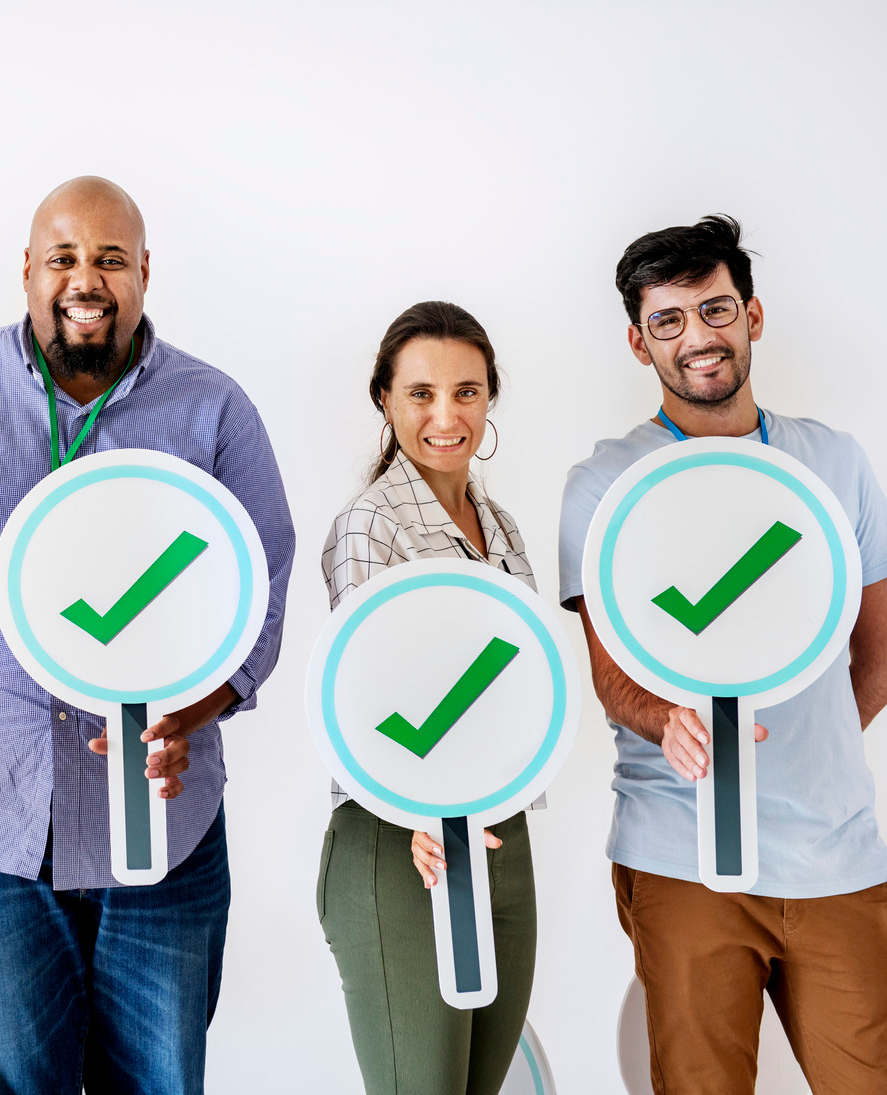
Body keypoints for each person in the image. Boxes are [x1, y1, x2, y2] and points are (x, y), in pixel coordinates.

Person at [0, 176, 294, 1094]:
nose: (84, 280)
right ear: (26, 271)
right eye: (62, 257)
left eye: (109, 259)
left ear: (143, 273)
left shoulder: (213, 412)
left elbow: (257, 602)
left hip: (163, 835)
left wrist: (196, 710)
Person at [559, 215, 887, 1094]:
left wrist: (813, 742)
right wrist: (666, 722)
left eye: (714, 309)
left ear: (753, 316)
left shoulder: (832, 460)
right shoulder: (606, 484)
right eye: (669, 320)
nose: (698, 338)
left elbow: (884, 652)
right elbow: (612, 674)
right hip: (681, 857)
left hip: (833, 856)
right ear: (640, 344)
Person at [315, 302, 538, 1095]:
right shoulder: (369, 525)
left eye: (468, 392)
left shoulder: (501, 525)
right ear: (385, 399)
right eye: (420, 393)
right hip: (398, 838)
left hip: (498, 833)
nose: (447, 416)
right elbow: (360, 689)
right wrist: (412, 808)